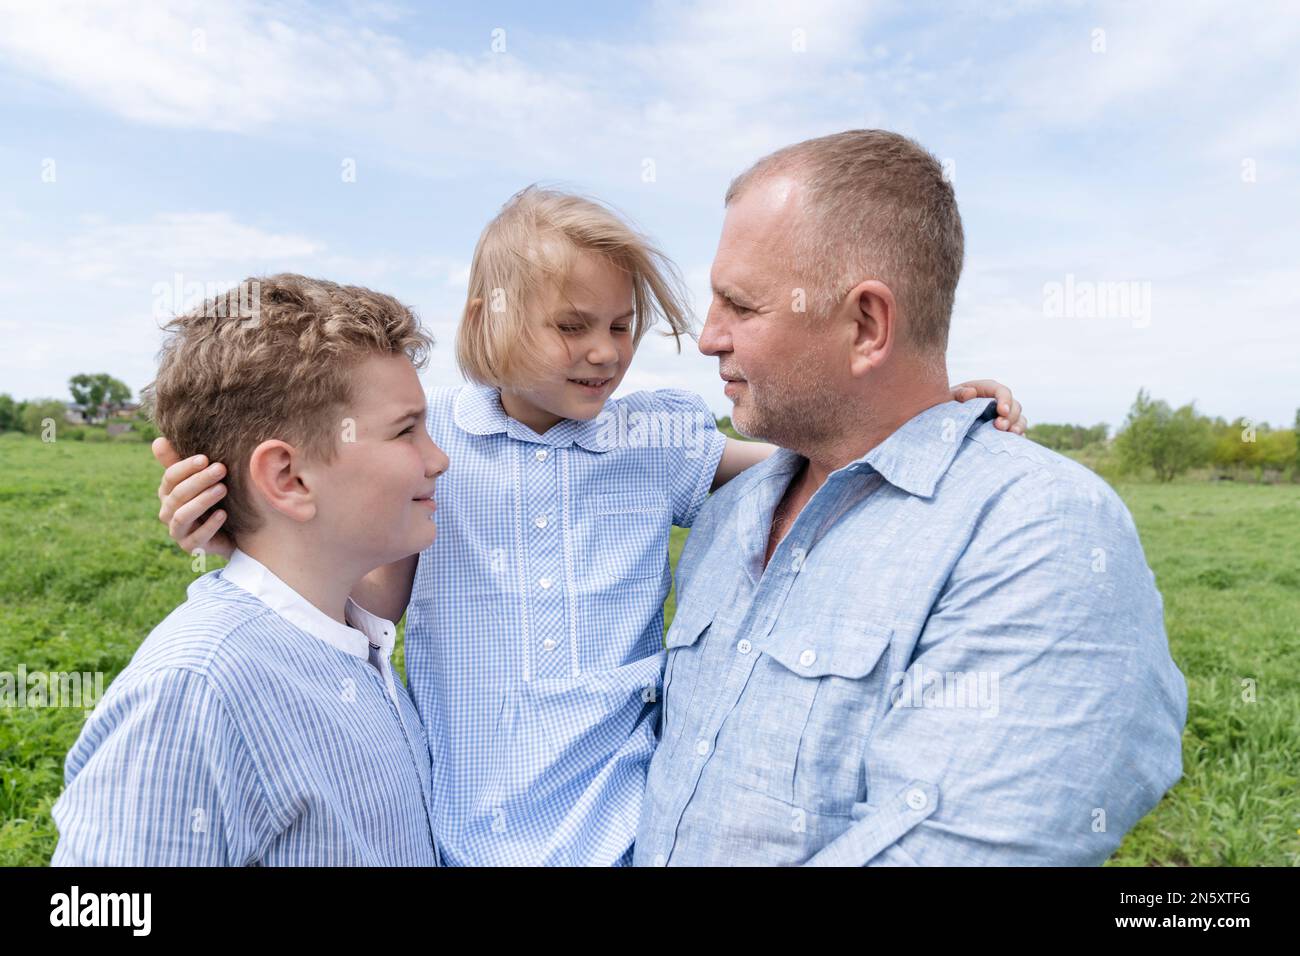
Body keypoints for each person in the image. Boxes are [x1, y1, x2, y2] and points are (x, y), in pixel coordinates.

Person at [153, 187, 1025, 865]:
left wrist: (917, 417)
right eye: (572, 326)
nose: (605, 350)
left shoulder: (657, 437)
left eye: (622, 325)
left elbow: (814, 468)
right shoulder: (433, 446)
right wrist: (243, 525)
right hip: (461, 829)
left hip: (623, 830)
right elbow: (362, 602)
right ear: (488, 322)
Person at [634, 129, 1188, 866]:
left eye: (739, 305)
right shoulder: (730, 514)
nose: (707, 337)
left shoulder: (1039, 530)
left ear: (867, 326)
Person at [52, 275, 447, 865]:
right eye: (405, 431)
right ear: (288, 478)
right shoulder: (196, 688)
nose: (440, 459)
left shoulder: (345, 634)